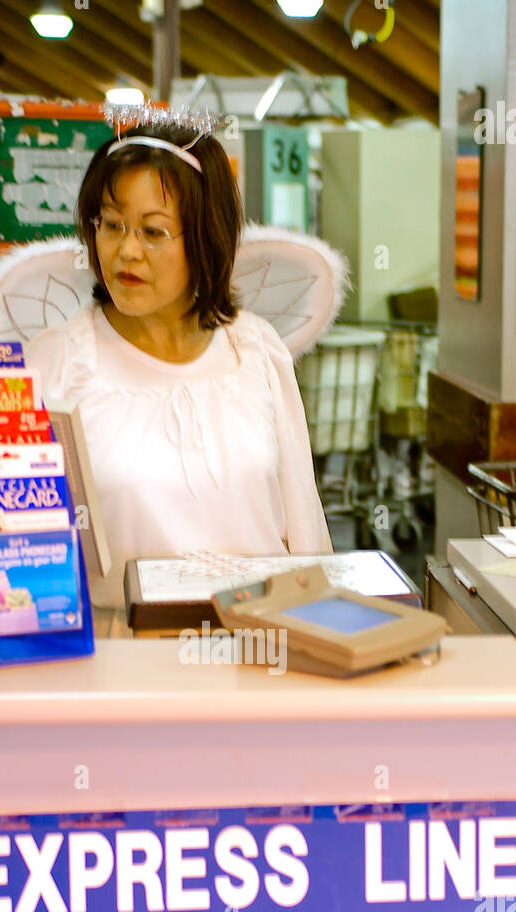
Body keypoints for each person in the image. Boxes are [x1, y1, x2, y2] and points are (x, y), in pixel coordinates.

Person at [24, 118, 332, 632]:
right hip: (120, 667)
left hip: (256, 657)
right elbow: (19, 548)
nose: (127, 251)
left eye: (153, 231)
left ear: (207, 236)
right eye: (111, 223)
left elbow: (304, 531)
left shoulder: (254, 352)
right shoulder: (55, 364)